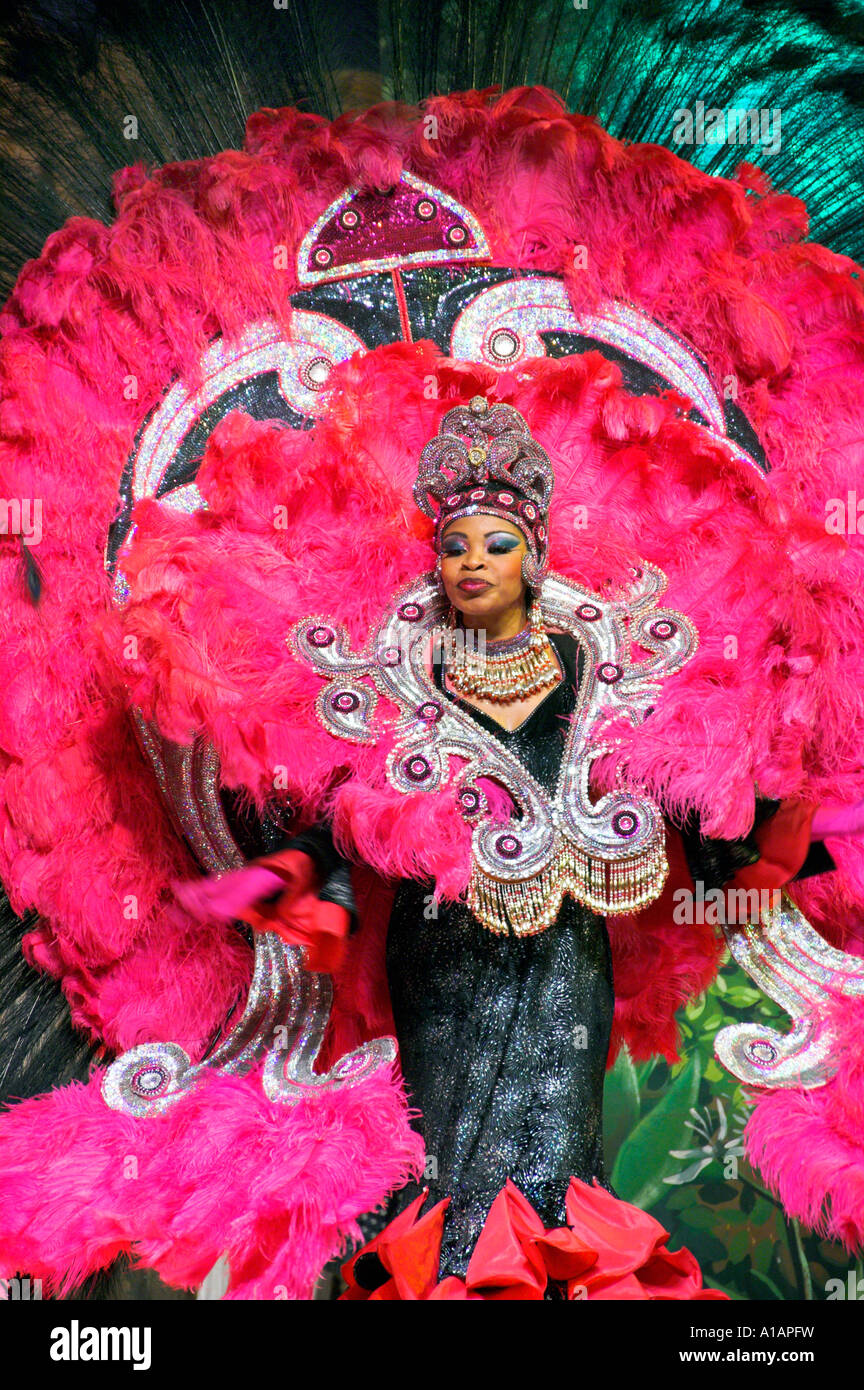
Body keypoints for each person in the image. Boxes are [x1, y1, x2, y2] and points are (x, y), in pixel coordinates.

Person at [181, 395, 824, 1299]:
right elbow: (347, 805)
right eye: (453, 547)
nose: (471, 562)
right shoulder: (399, 665)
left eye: (495, 543)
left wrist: (779, 818)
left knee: (554, 1160)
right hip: (440, 958)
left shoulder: (597, 657)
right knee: (452, 1168)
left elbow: (686, 778)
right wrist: (290, 869)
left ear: (536, 554)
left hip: (566, 952)